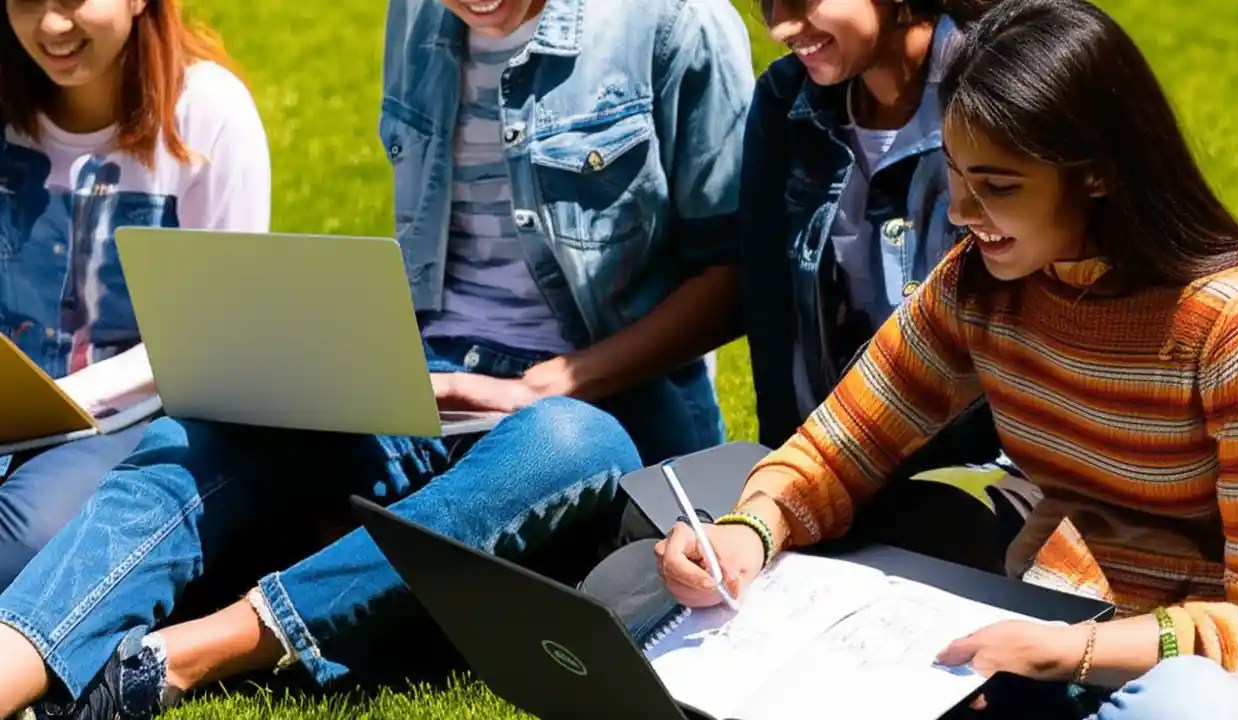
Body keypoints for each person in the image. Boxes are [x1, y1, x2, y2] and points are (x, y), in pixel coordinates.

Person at [0, 0, 755, 717]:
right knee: (200, 429)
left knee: (567, 440)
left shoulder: (675, 24)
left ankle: (184, 654)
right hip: (427, 375)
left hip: (592, 401)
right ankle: (14, 661)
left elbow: (735, 279)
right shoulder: (419, 14)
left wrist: (546, 383)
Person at [658, 0, 1238, 717]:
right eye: (954, 172)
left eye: (998, 186)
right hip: (1045, 617)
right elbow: (844, 442)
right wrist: (750, 528)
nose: (959, 210)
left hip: (1191, 669)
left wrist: (1068, 651)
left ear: (1099, 173)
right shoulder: (977, 286)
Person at [739, 0, 1034, 570]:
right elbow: (772, 318)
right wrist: (777, 481)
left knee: (916, 531)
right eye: (770, 2)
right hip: (840, 454)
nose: (780, 26)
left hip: (993, 472)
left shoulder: (1009, 79)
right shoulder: (785, 100)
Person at [0, 0, 269, 588]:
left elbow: (220, 334)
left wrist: (64, 396)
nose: (51, 26)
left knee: (23, 543)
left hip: (132, 418)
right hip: (11, 408)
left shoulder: (208, 114)